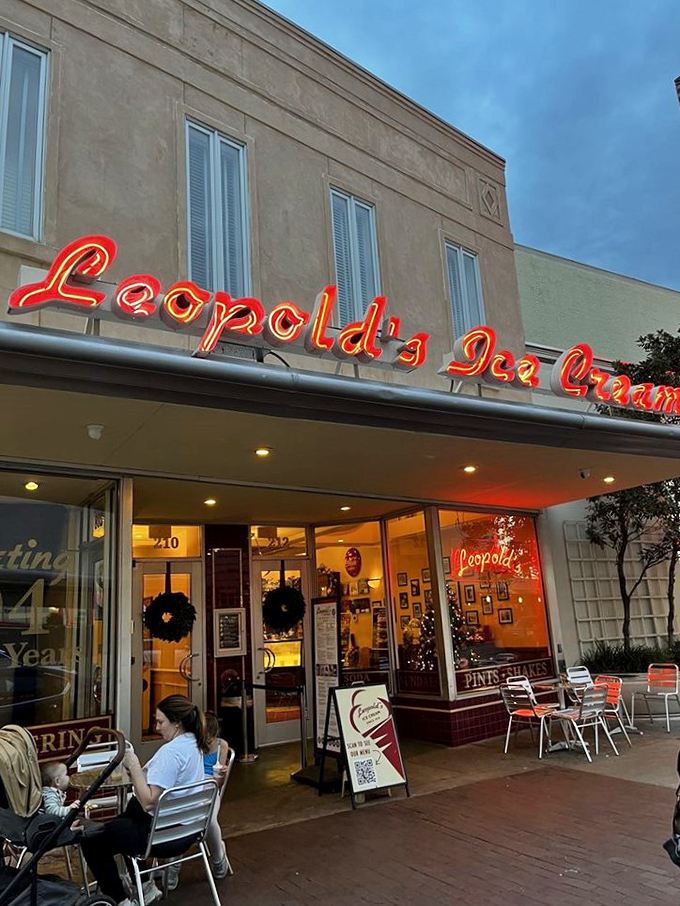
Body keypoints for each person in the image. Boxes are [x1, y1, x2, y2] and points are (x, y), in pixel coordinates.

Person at [80, 695, 208, 906]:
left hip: (162, 836)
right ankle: (145, 886)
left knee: (92, 841)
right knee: (123, 821)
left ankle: (121, 900)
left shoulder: (171, 753)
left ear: (177, 722)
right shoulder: (194, 744)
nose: (157, 727)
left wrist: (134, 765)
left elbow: (149, 801)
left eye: (161, 722)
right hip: (187, 830)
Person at [165, 710, 230, 891]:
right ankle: (172, 869)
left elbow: (218, 780)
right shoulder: (191, 745)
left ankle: (218, 860)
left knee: (209, 820)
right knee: (181, 818)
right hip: (191, 786)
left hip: (209, 787)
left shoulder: (221, 746)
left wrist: (220, 774)